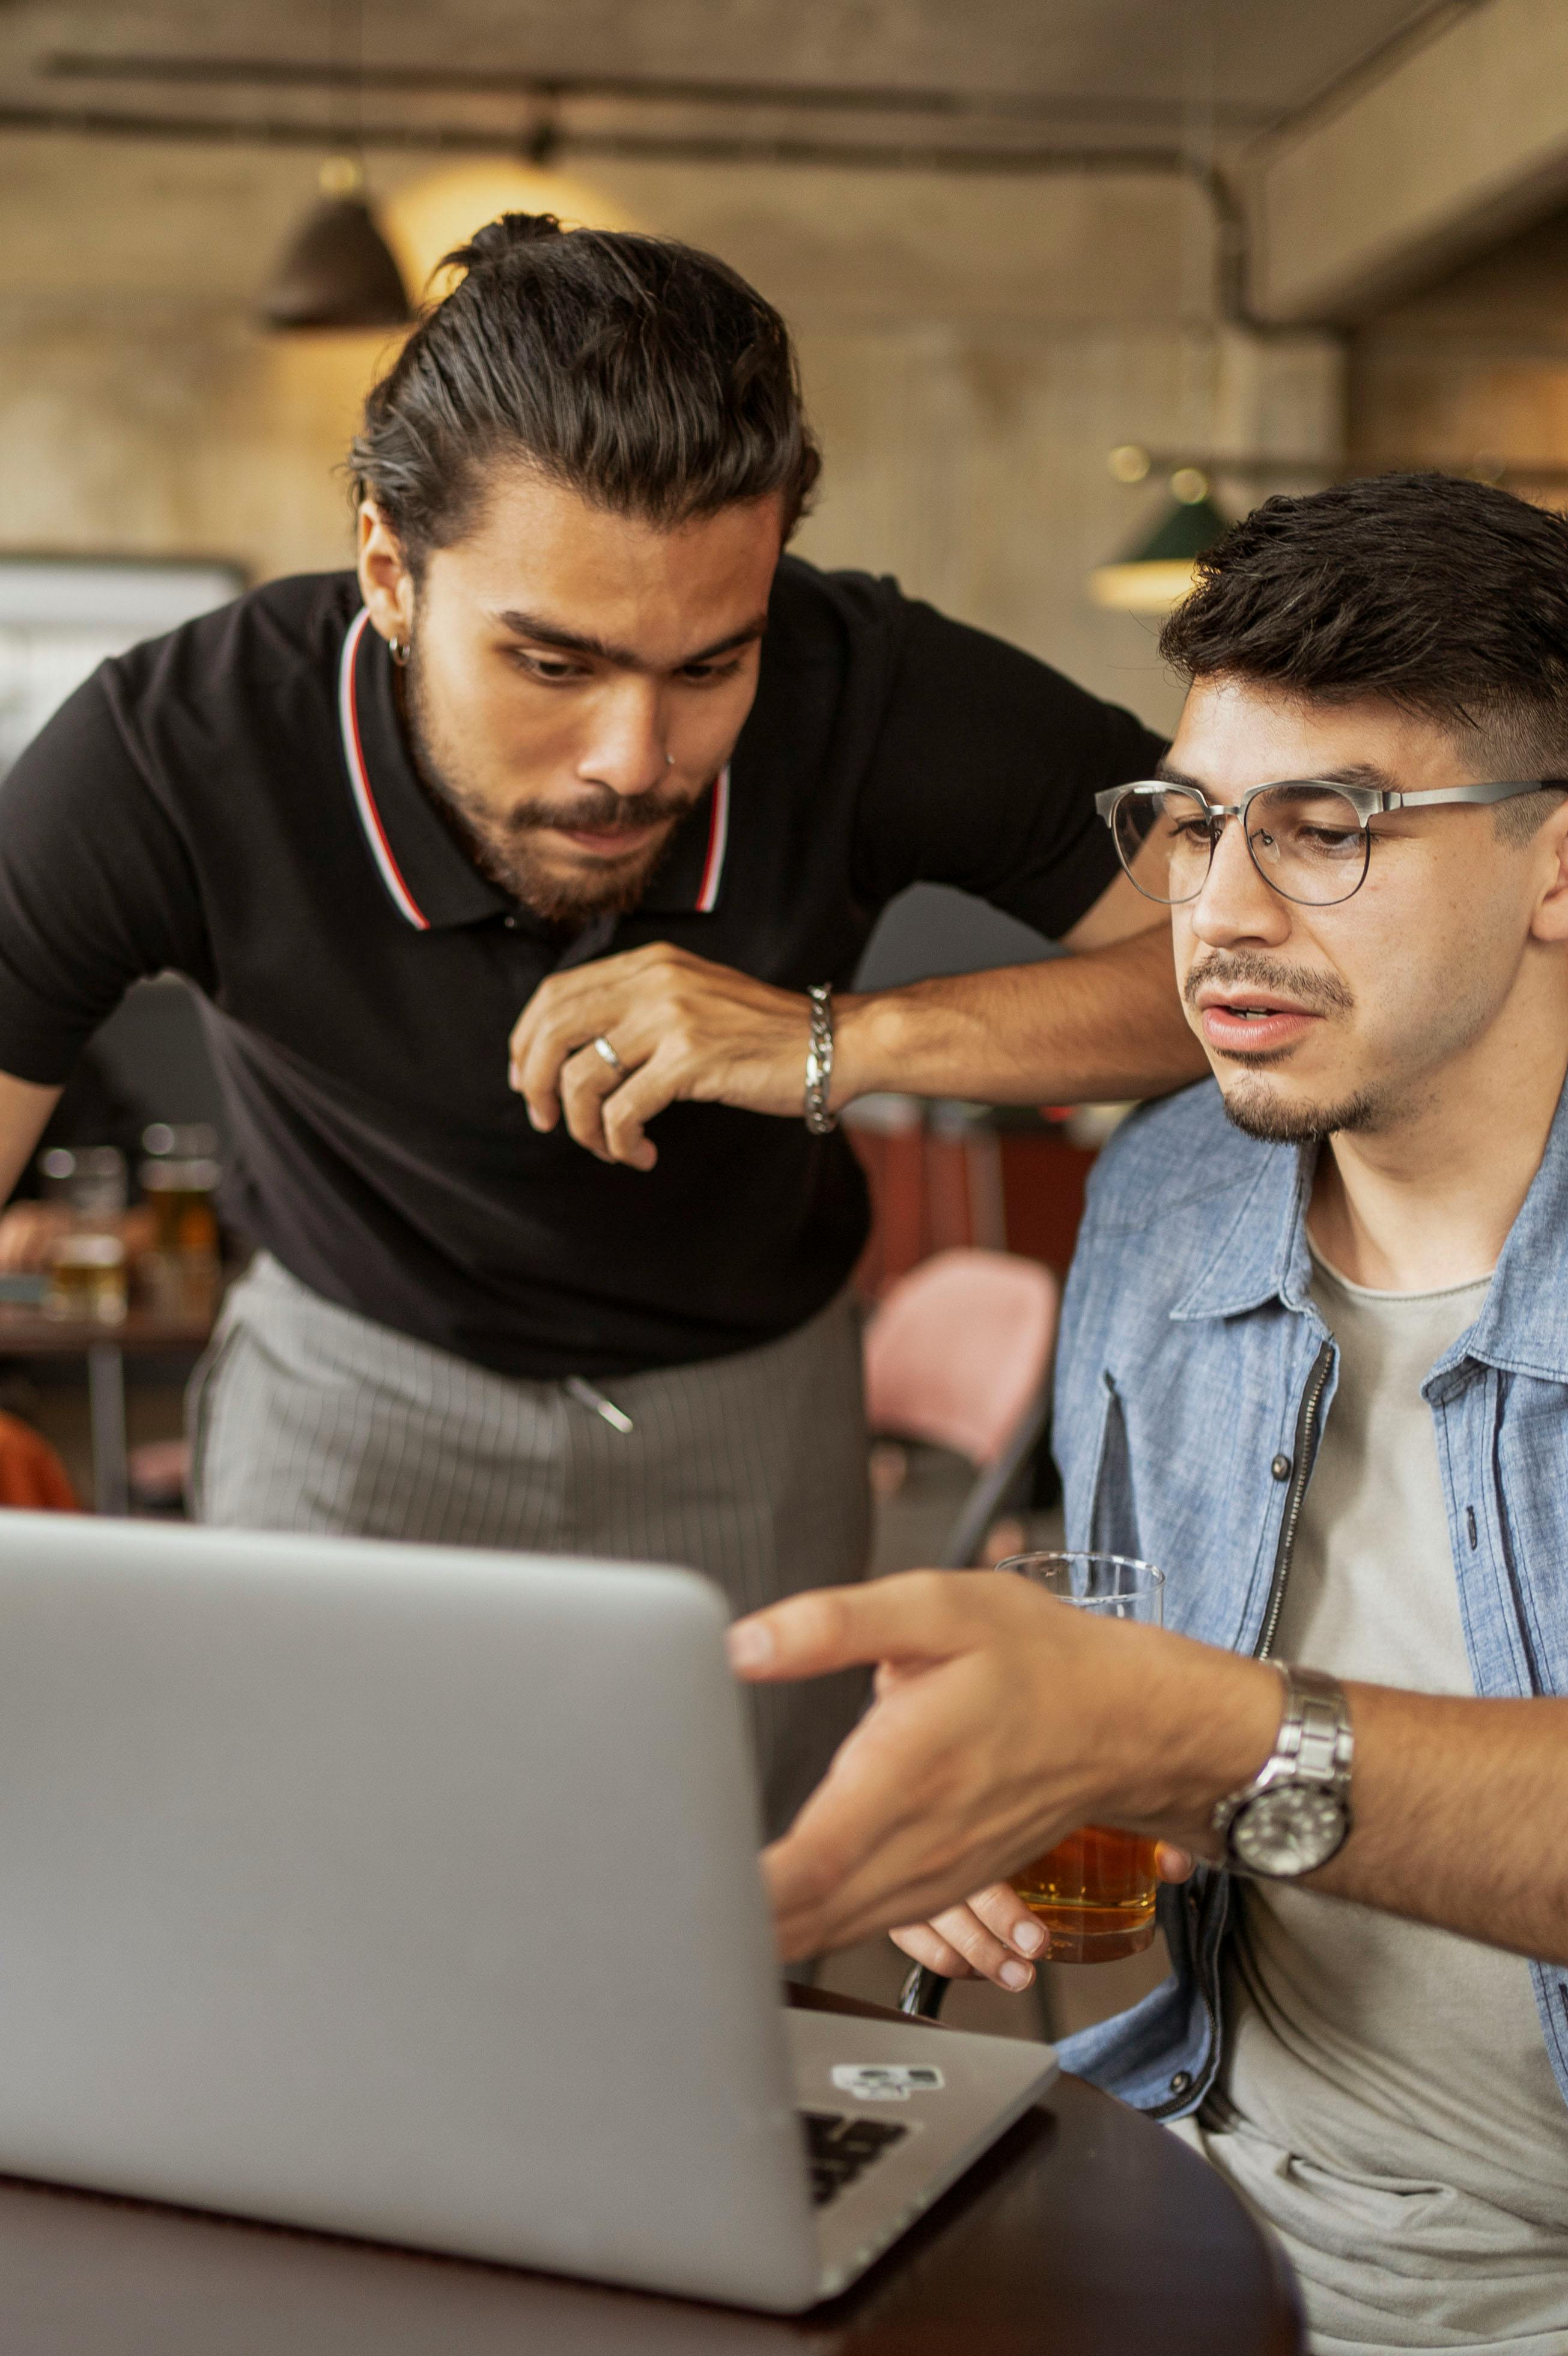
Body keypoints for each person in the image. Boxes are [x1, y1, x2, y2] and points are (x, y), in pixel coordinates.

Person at [728, 476, 1568, 2351]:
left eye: (1326, 829)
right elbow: (1141, 1701)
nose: (1218, 913)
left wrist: (1206, 1736)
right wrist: (1030, 1776)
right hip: (1179, 2196)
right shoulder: (1168, 1194)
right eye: (1191, 826)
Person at [0, 218, 1203, 1832]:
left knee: (722, 1947)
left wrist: (832, 1044)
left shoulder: (863, 683)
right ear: (388, 570)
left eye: (711, 663)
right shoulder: (165, 755)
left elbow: (1236, 974)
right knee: (321, 1922)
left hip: (743, 1411)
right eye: (551, 662)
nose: (634, 757)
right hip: (352, 1397)